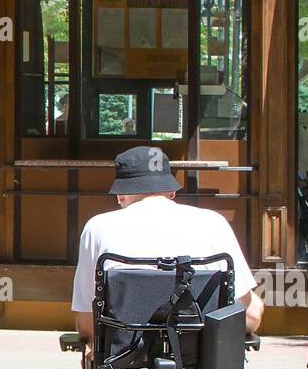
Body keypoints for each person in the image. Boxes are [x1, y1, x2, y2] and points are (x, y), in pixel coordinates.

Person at [71, 146, 263, 341]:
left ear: (120, 195)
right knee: (252, 304)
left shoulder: (98, 227)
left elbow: (87, 323)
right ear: (172, 191)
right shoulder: (214, 223)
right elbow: (249, 314)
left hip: (123, 363)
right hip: (203, 363)